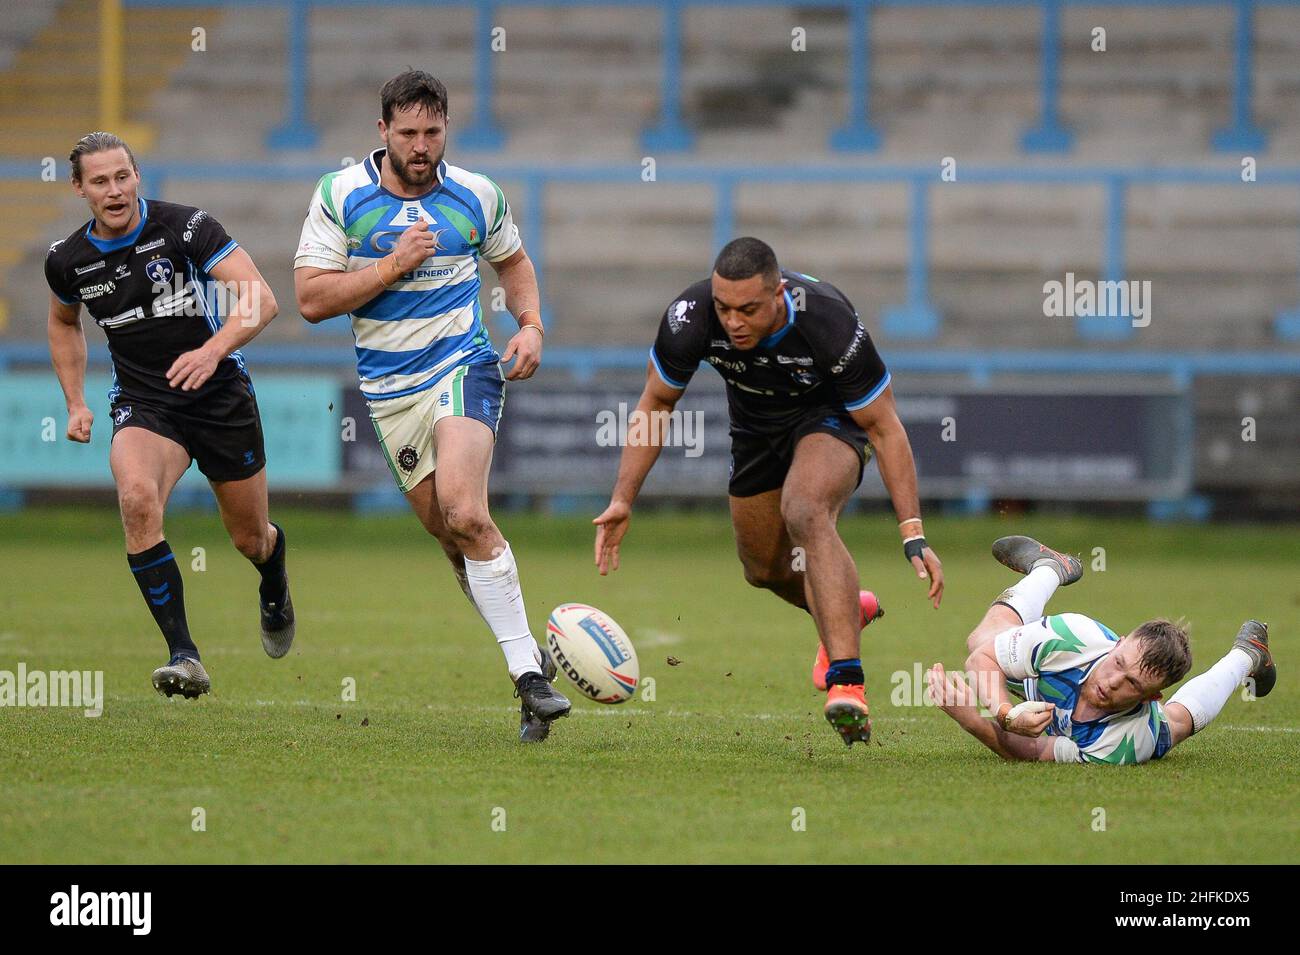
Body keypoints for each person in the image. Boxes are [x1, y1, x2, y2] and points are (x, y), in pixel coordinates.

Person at [293, 70, 569, 742]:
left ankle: (525, 677)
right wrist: (389, 266)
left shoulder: (476, 195)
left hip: (464, 367)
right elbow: (310, 299)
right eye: (408, 133)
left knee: (466, 511)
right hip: (391, 394)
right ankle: (533, 664)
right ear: (382, 130)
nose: (421, 145)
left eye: (433, 132)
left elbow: (514, 262)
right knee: (452, 541)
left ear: (447, 128)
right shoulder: (341, 196)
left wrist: (528, 324)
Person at [594, 237, 943, 746]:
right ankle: (852, 608)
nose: (733, 321)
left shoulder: (829, 322)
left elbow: (886, 427)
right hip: (755, 431)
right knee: (763, 570)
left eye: (749, 309)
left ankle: (847, 682)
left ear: (778, 293)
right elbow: (656, 403)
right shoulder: (691, 317)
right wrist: (623, 497)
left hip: (831, 421)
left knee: (805, 511)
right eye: (724, 308)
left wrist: (912, 531)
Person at [44, 132, 293, 699]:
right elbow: (63, 323)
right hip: (145, 404)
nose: (115, 191)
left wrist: (211, 352)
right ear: (79, 188)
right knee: (136, 498)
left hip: (219, 396)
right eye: (100, 181)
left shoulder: (186, 227)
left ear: (137, 176)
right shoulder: (67, 261)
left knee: (250, 538)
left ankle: (273, 578)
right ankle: (184, 655)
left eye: (123, 176)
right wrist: (76, 401)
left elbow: (261, 298)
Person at [927, 535, 1278, 763]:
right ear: (1118, 642)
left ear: (1150, 698)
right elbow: (982, 658)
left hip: (1129, 727)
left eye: (1133, 684)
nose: (1113, 681)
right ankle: (1052, 568)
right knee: (982, 641)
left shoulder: (1127, 740)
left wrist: (972, 719)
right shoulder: (1075, 635)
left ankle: (1247, 654)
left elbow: (1036, 751)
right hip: (1049, 674)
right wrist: (1004, 712)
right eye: (1119, 663)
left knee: (1178, 724)